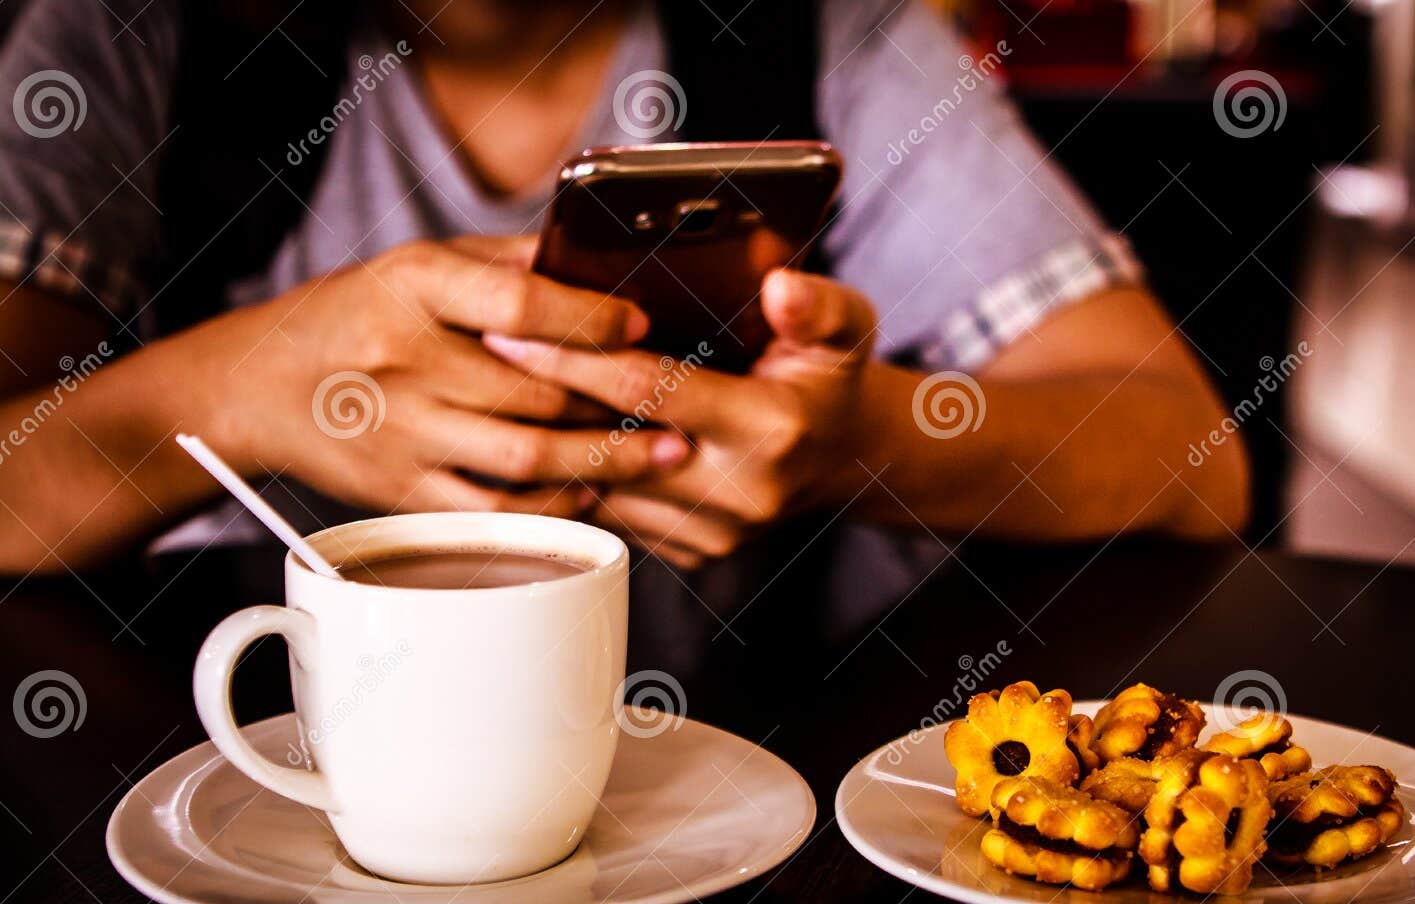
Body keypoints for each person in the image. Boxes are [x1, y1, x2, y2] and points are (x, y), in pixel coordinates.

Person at [0, 0, 1246, 666]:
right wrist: (240, 386)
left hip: (744, 831)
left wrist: (858, 443)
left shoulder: (829, 33)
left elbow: (1192, 459)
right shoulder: (130, 34)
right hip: (238, 814)